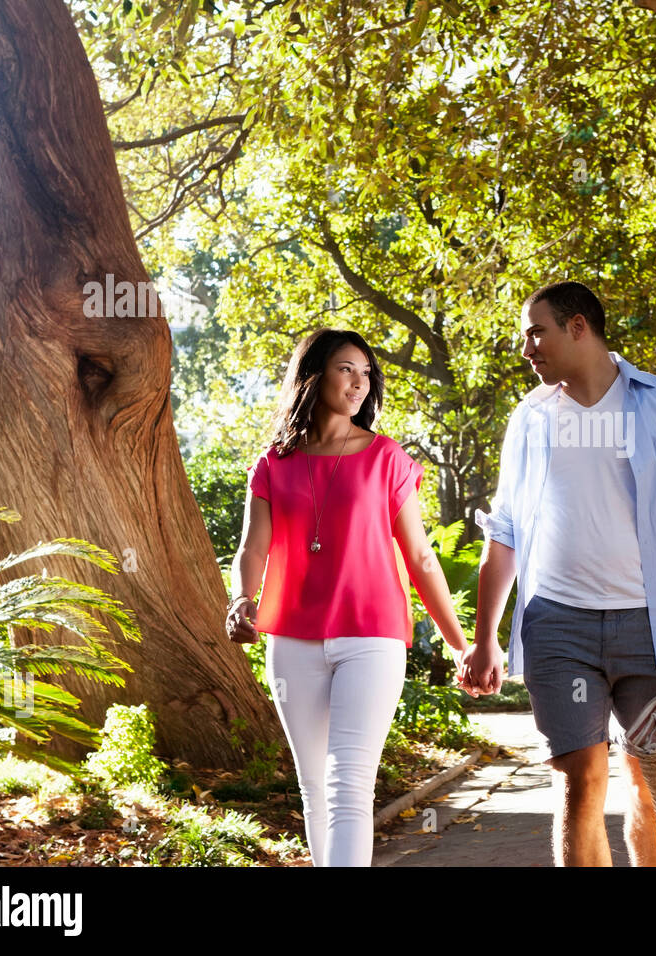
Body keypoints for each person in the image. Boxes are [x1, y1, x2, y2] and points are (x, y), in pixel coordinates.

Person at [464, 280, 656, 866]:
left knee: (653, 782)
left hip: (649, 625)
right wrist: (484, 640)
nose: (525, 346)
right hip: (556, 626)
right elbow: (503, 531)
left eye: (536, 331)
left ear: (578, 327)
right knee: (580, 781)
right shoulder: (530, 418)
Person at [226, 328, 473, 867]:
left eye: (366, 372)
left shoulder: (387, 457)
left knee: (348, 783)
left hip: (372, 636)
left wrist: (460, 646)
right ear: (314, 375)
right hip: (291, 639)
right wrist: (240, 600)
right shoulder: (274, 463)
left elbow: (421, 558)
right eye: (346, 369)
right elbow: (252, 548)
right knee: (314, 786)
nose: (359, 382)